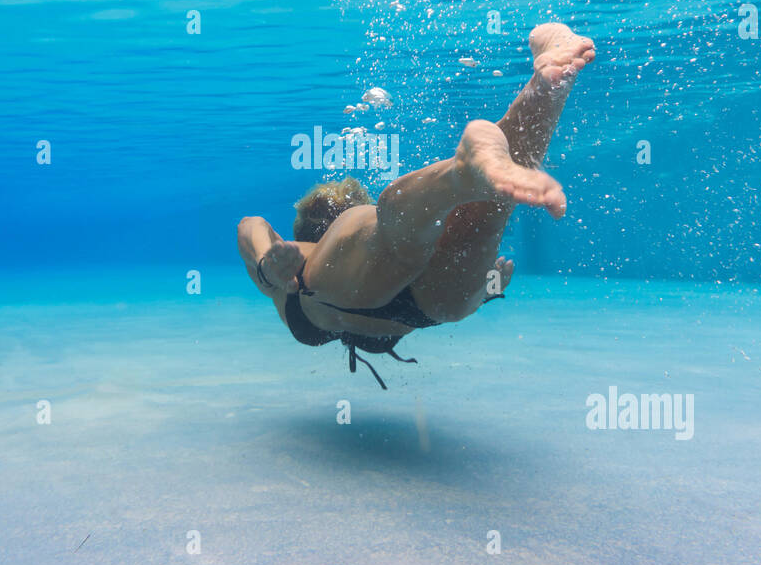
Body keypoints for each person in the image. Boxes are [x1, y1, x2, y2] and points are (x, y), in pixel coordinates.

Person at [237, 23, 596, 387]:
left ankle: (497, 141)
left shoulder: (299, 261)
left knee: (483, 212)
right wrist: (488, 287)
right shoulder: (300, 262)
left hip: (435, 306)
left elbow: (250, 226)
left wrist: (268, 263)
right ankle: (475, 159)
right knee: (417, 221)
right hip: (426, 302)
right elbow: (249, 227)